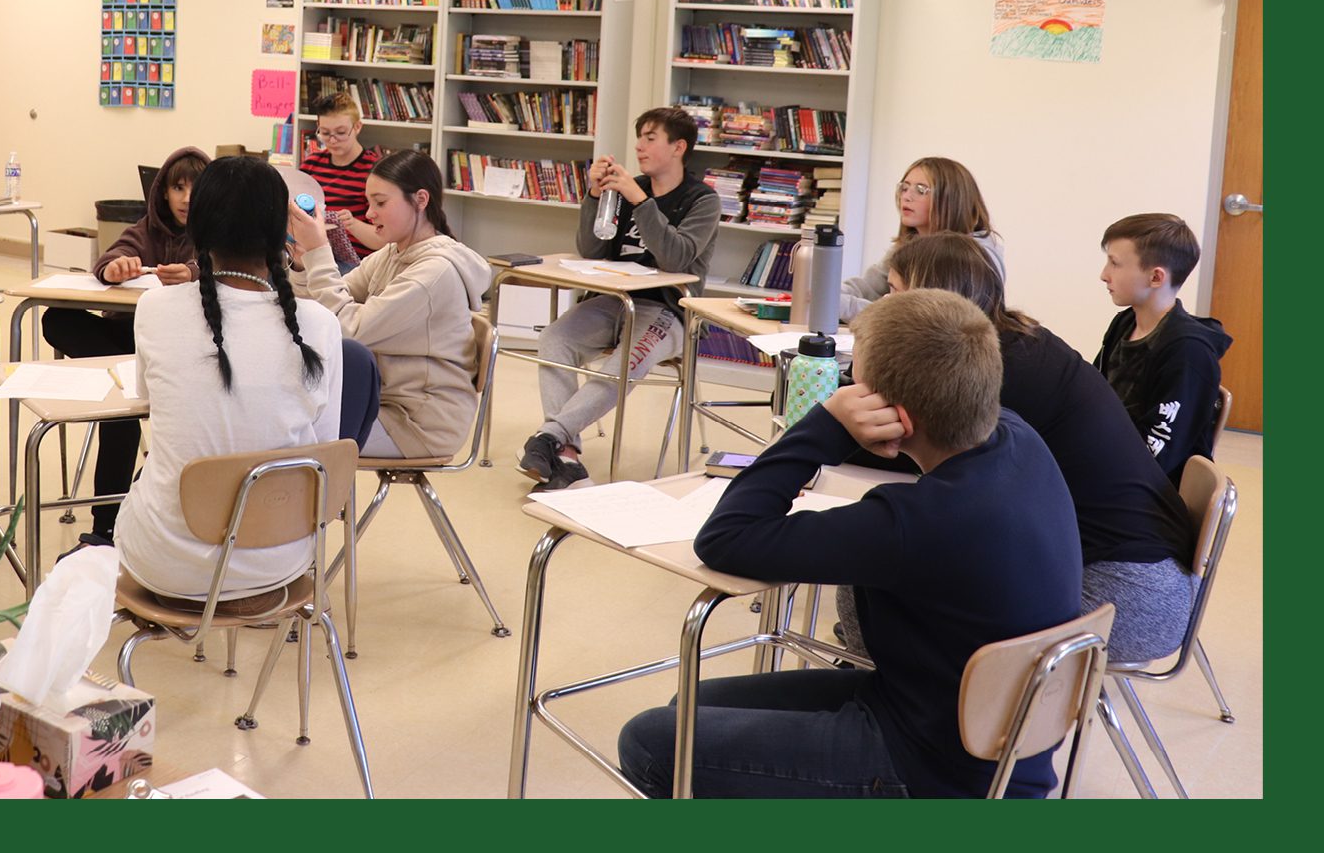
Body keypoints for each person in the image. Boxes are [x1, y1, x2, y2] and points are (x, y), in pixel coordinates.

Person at [617, 289, 1083, 799]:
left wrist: (824, 424)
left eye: (854, 382)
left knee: (653, 743)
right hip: (980, 738)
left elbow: (726, 538)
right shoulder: (1021, 440)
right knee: (691, 705)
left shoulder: (914, 523)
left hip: (928, 765)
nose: (847, 391)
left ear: (894, 415)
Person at [889, 233, 1197, 664]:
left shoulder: (998, 374)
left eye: (894, 293)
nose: (883, 309)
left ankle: (887, 714)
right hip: (1137, 574)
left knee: (896, 588)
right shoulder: (1015, 342)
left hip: (1125, 597)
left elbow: (927, 462)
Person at [114, 155, 348, 601]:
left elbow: (148, 399)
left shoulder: (155, 309)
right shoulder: (319, 324)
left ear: (195, 228)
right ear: (282, 230)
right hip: (279, 561)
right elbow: (322, 446)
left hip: (164, 563)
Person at [517, 107, 719, 488]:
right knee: (554, 338)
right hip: (613, 300)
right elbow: (592, 251)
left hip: (668, 309)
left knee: (628, 359)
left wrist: (640, 201)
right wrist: (596, 195)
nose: (639, 146)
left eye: (650, 138)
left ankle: (549, 436)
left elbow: (676, 258)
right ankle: (566, 453)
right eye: (639, 136)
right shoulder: (629, 190)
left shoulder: (701, 200)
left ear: (678, 147)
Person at [40, 146, 208, 549]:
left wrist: (193, 274)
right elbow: (113, 254)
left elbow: (225, 268)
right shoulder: (147, 228)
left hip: (176, 346)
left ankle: (105, 526)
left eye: (196, 189)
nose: (186, 198)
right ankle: (121, 372)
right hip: (130, 338)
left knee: (118, 414)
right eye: (177, 188)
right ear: (163, 192)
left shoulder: (216, 232)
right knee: (56, 319)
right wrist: (113, 268)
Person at [288, 149, 491, 460]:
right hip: (385, 400)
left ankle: (315, 506)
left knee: (288, 435)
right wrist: (305, 266)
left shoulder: (435, 273)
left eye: (380, 203)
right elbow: (331, 300)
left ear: (421, 200)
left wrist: (319, 252)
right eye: (369, 203)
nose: (369, 214)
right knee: (285, 412)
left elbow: (350, 330)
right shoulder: (393, 252)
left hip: (416, 422)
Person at [1094, 212, 1232, 483]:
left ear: (1156, 277)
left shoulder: (1188, 353)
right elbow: (1093, 392)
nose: (1104, 275)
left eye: (1115, 263)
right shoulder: (1126, 321)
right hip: (1109, 460)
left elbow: (1157, 454)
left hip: (1145, 489)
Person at [838, 156, 1003, 319]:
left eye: (921, 190)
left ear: (951, 199)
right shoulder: (910, 244)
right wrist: (827, 295)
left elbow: (917, 318)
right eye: (905, 188)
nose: (907, 197)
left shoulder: (974, 254)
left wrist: (835, 304)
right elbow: (866, 288)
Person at [300, 91, 385, 270]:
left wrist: (352, 224)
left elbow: (384, 238)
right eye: (324, 132)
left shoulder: (375, 171)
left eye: (340, 132)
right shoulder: (311, 165)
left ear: (357, 127)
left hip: (357, 263)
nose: (332, 140)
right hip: (313, 255)